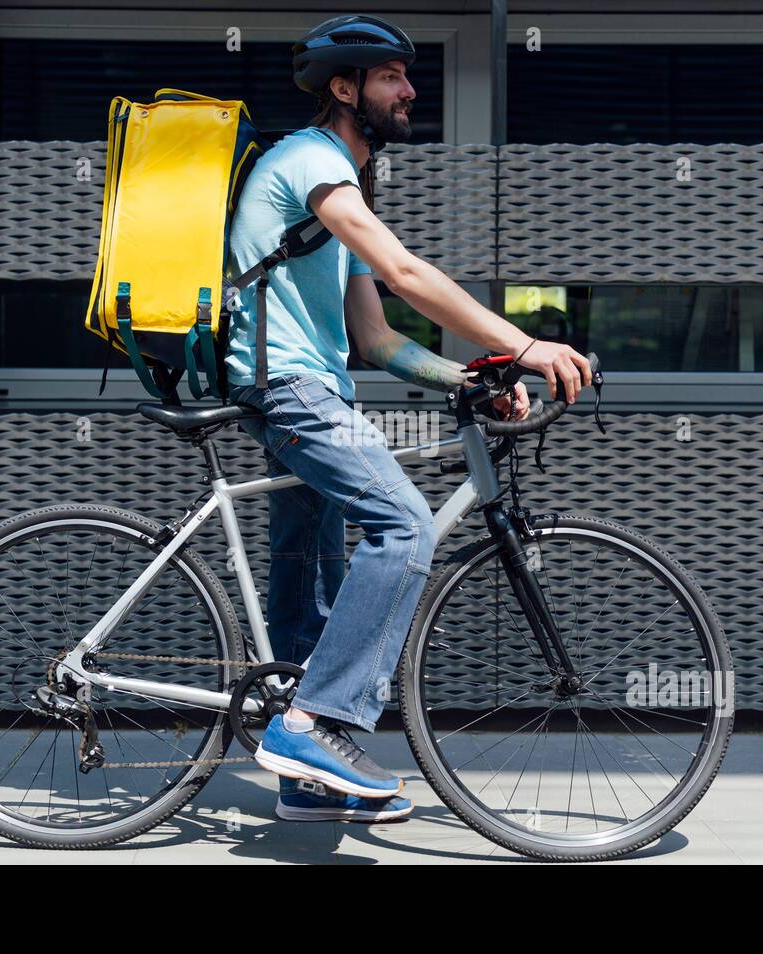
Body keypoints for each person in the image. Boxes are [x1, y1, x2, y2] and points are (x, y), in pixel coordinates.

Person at [225, 14, 591, 823]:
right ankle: (316, 724)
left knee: (309, 595)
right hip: (290, 390)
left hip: (319, 391)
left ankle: (306, 779)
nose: (410, 90)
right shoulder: (312, 160)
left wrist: (468, 375)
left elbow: (376, 335)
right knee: (406, 527)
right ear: (344, 87)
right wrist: (524, 343)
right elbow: (403, 269)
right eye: (392, 76)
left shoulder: (336, 193)